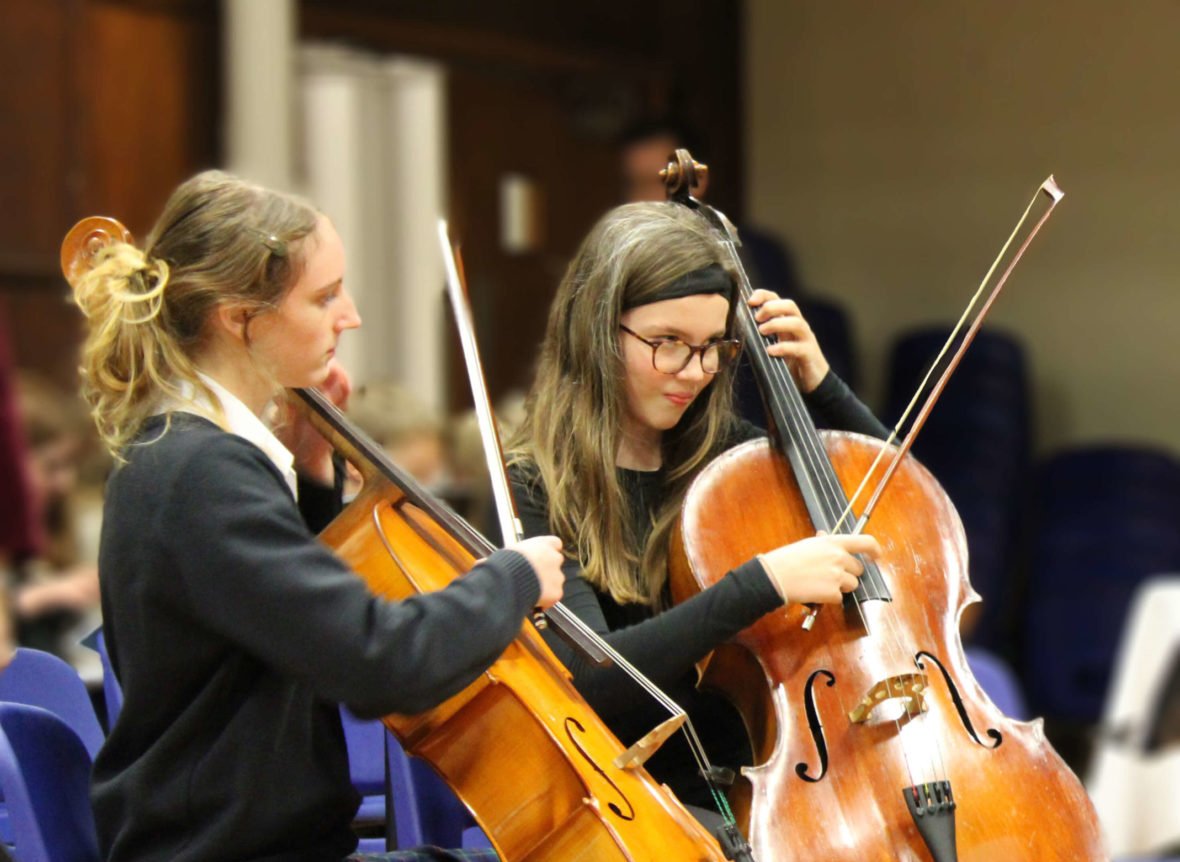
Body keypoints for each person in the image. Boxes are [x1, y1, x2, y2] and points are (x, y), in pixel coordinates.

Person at [70, 170, 566, 862]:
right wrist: (511, 579)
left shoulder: (189, 453)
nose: (351, 315)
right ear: (241, 317)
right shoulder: (199, 472)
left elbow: (270, 623)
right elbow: (378, 659)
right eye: (325, 296)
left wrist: (311, 484)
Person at [506, 201, 885, 821]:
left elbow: (904, 524)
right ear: (597, 331)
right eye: (668, 344)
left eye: (713, 346)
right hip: (635, 809)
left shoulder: (732, 459)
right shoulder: (533, 486)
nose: (696, 372)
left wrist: (823, 386)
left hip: (776, 789)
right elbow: (593, 686)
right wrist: (759, 585)